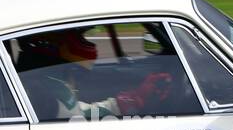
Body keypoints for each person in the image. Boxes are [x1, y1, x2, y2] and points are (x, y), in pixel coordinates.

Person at [17, 30, 173, 121]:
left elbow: (80, 111)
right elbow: (83, 121)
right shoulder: (52, 90)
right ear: (50, 43)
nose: (86, 43)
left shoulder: (47, 82)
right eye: (78, 37)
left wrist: (124, 102)